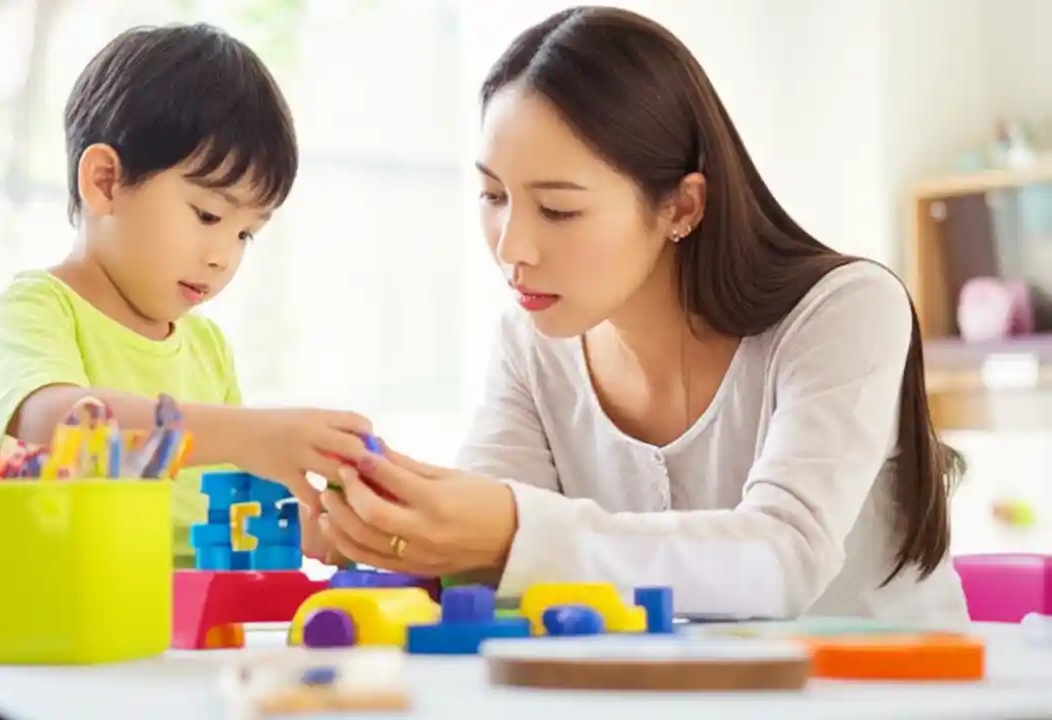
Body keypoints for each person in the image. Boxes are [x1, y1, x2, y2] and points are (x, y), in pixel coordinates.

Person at [304, 6, 970, 623]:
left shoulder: (844, 311)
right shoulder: (532, 346)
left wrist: (511, 530)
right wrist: (386, 526)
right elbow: (481, 555)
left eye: (559, 209)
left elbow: (783, 558)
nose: (512, 248)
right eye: (492, 195)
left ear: (680, 206)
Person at [0, 23, 372, 570]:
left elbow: (232, 498)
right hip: (67, 633)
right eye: (208, 215)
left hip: (183, 641)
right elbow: (56, 427)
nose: (223, 256)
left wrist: (316, 526)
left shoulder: (206, 347)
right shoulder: (36, 311)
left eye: (244, 234)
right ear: (106, 181)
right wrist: (254, 433)